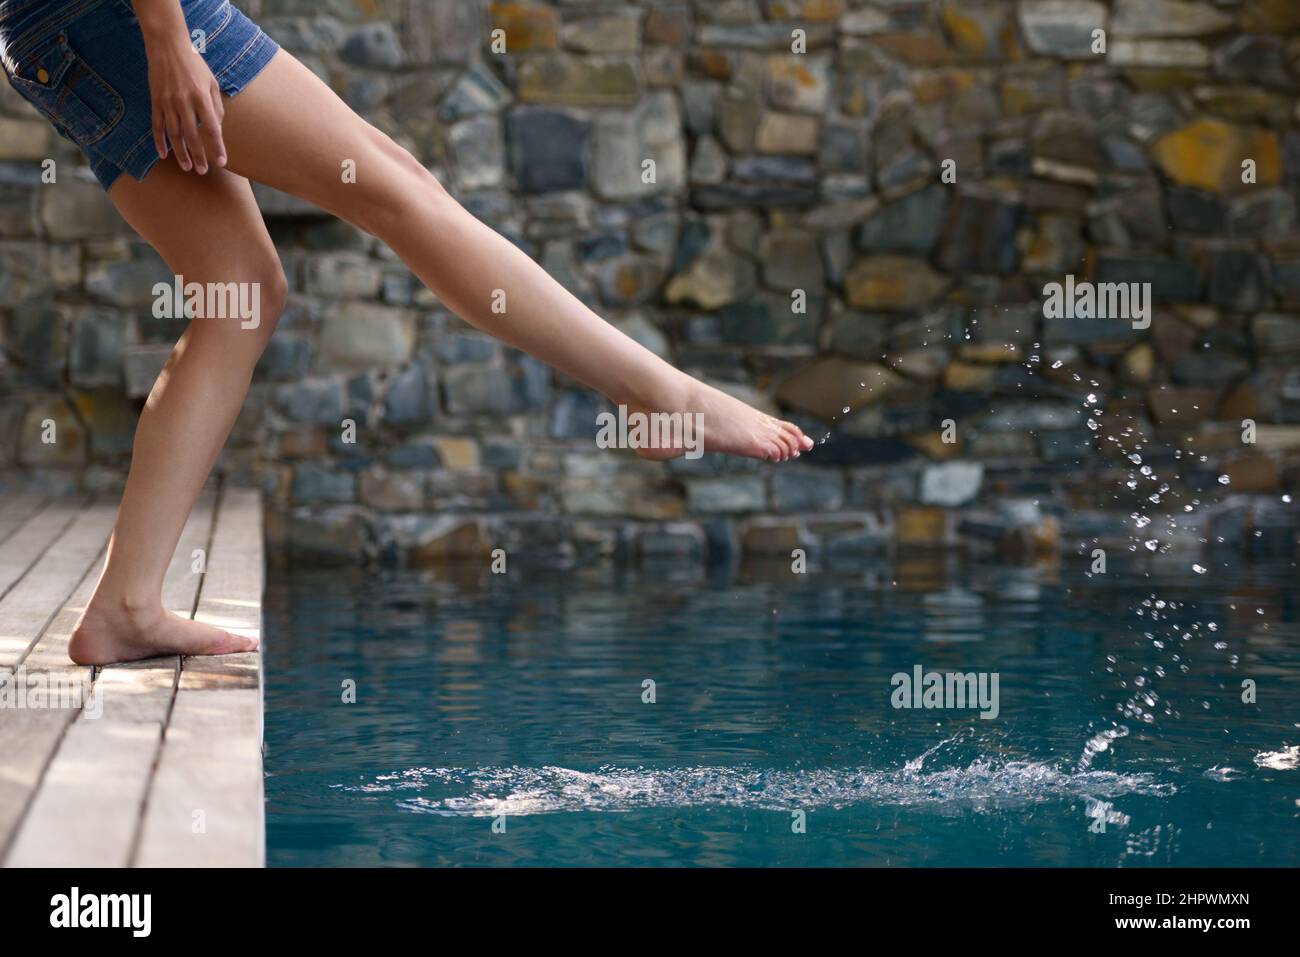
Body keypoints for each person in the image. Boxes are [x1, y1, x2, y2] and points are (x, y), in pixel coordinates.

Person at [0, 0, 814, 665]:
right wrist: (167, 37)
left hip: (50, 35)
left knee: (241, 290)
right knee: (397, 189)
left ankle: (126, 604)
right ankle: (658, 393)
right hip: (115, 14)